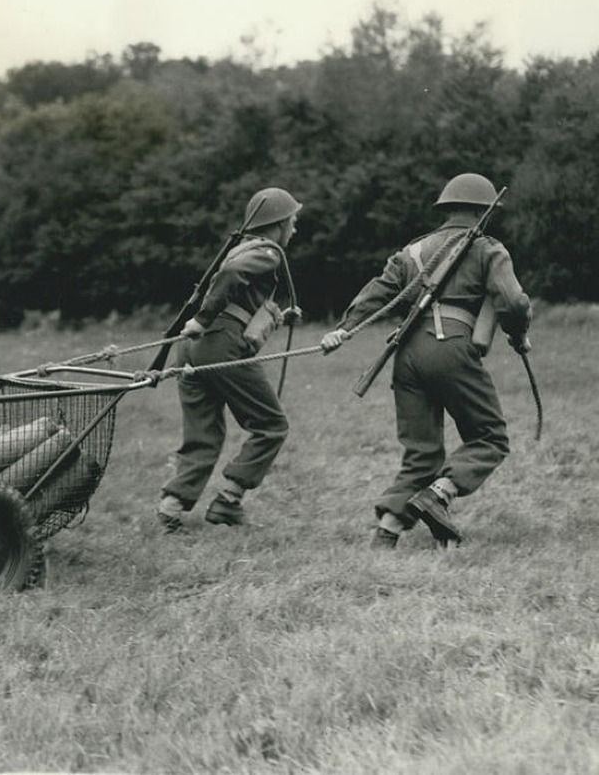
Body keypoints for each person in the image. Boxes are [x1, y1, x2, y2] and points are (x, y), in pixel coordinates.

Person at [320, 173, 531, 549]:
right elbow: (513, 303)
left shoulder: (413, 251)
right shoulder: (487, 249)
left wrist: (343, 329)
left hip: (406, 354)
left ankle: (387, 531)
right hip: (451, 349)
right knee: (490, 437)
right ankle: (439, 494)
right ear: (483, 212)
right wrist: (517, 335)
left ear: (447, 209)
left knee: (422, 452)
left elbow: (378, 291)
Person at [157, 187, 302, 533]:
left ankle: (170, 509)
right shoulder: (268, 252)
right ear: (278, 224)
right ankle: (228, 501)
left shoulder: (241, 247)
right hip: (218, 344)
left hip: (192, 348)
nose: (294, 229)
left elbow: (238, 297)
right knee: (271, 425)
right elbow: (233, 275)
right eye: (292, 221)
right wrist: (203, 319)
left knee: (203, 432)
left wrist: (279, 316)